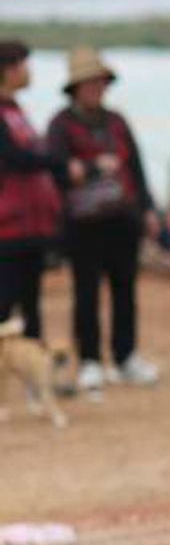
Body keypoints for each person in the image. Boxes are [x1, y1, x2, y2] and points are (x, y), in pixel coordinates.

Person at [46, 48, 161, 392]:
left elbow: (136, 167)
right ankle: (90, 360)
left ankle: (126, 356)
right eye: (89, 83)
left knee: (125, 290)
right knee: (86, 293)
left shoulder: (117, 122)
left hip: (122, 220)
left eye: (100, 82)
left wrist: (148, 208)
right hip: (82, 225)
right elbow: (57, 171)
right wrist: (92, 168)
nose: (96, 89)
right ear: (75, 88)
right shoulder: (60, 125)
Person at [0, 40, 74, 341]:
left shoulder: (16, 110)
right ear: (8, 70)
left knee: (30, 305)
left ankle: (33, 364)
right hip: (7, 226)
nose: (29, 72)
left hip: (31, 224)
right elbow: (14, 157)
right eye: (23, 65)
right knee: (5, 304)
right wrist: (60, 162)